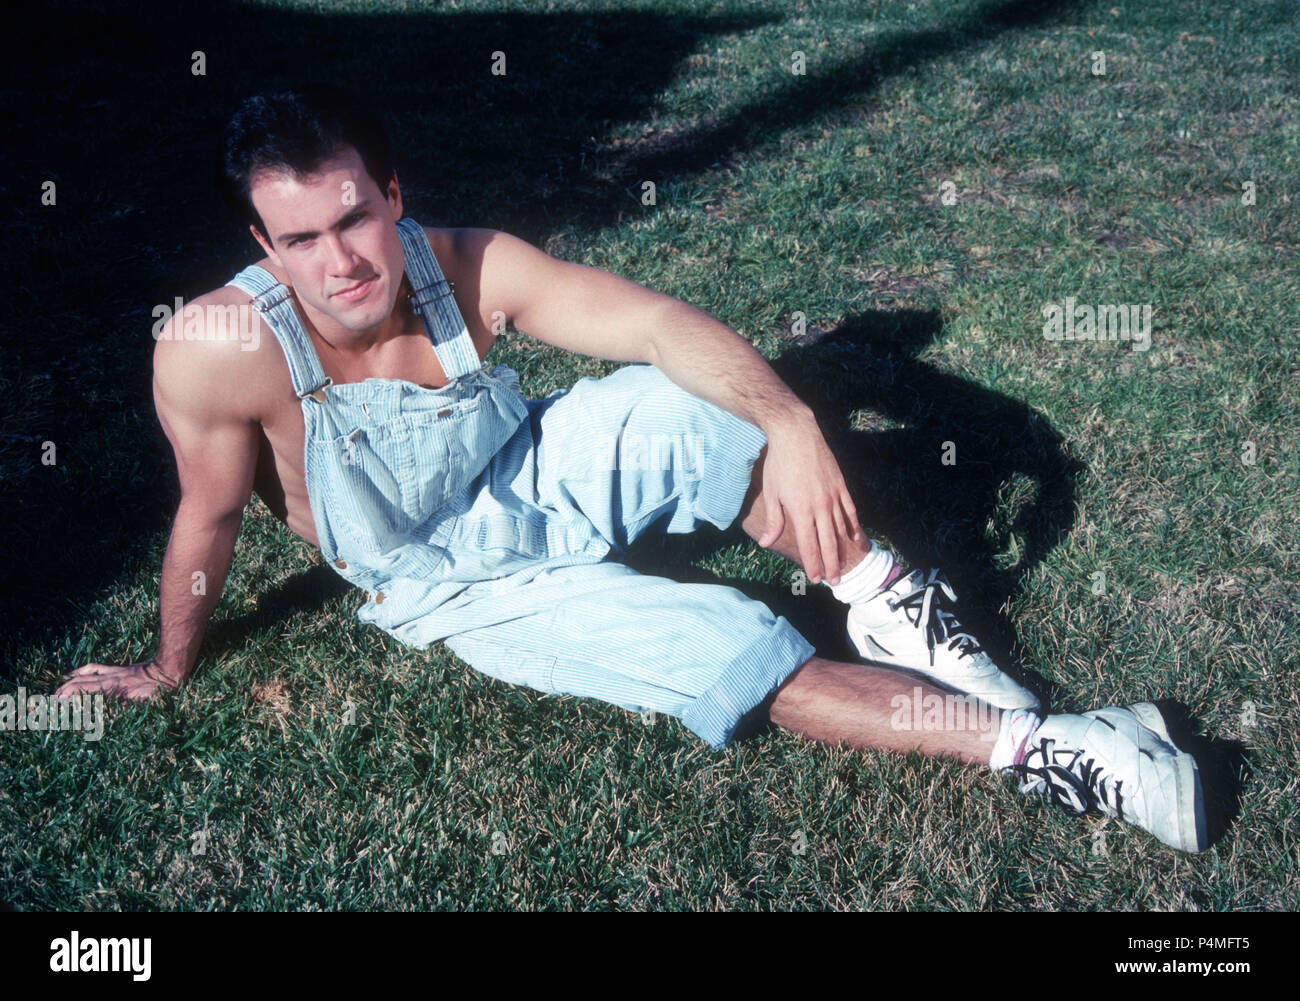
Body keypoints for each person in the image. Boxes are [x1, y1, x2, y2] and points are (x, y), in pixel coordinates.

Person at [54, 85, 1209, 854]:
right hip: (445, 579)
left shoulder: (468, 262)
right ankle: (1054, 746)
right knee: (709, 647)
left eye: (353, 218)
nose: (339, 259)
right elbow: (206, 518)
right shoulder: (216, 351)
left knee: (705, 401)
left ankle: (891, 605)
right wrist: (165, 667)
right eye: (298, 239)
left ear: (393, 194)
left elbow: (661, 325)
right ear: (262, 246)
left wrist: (797, 423)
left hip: (524, 471)